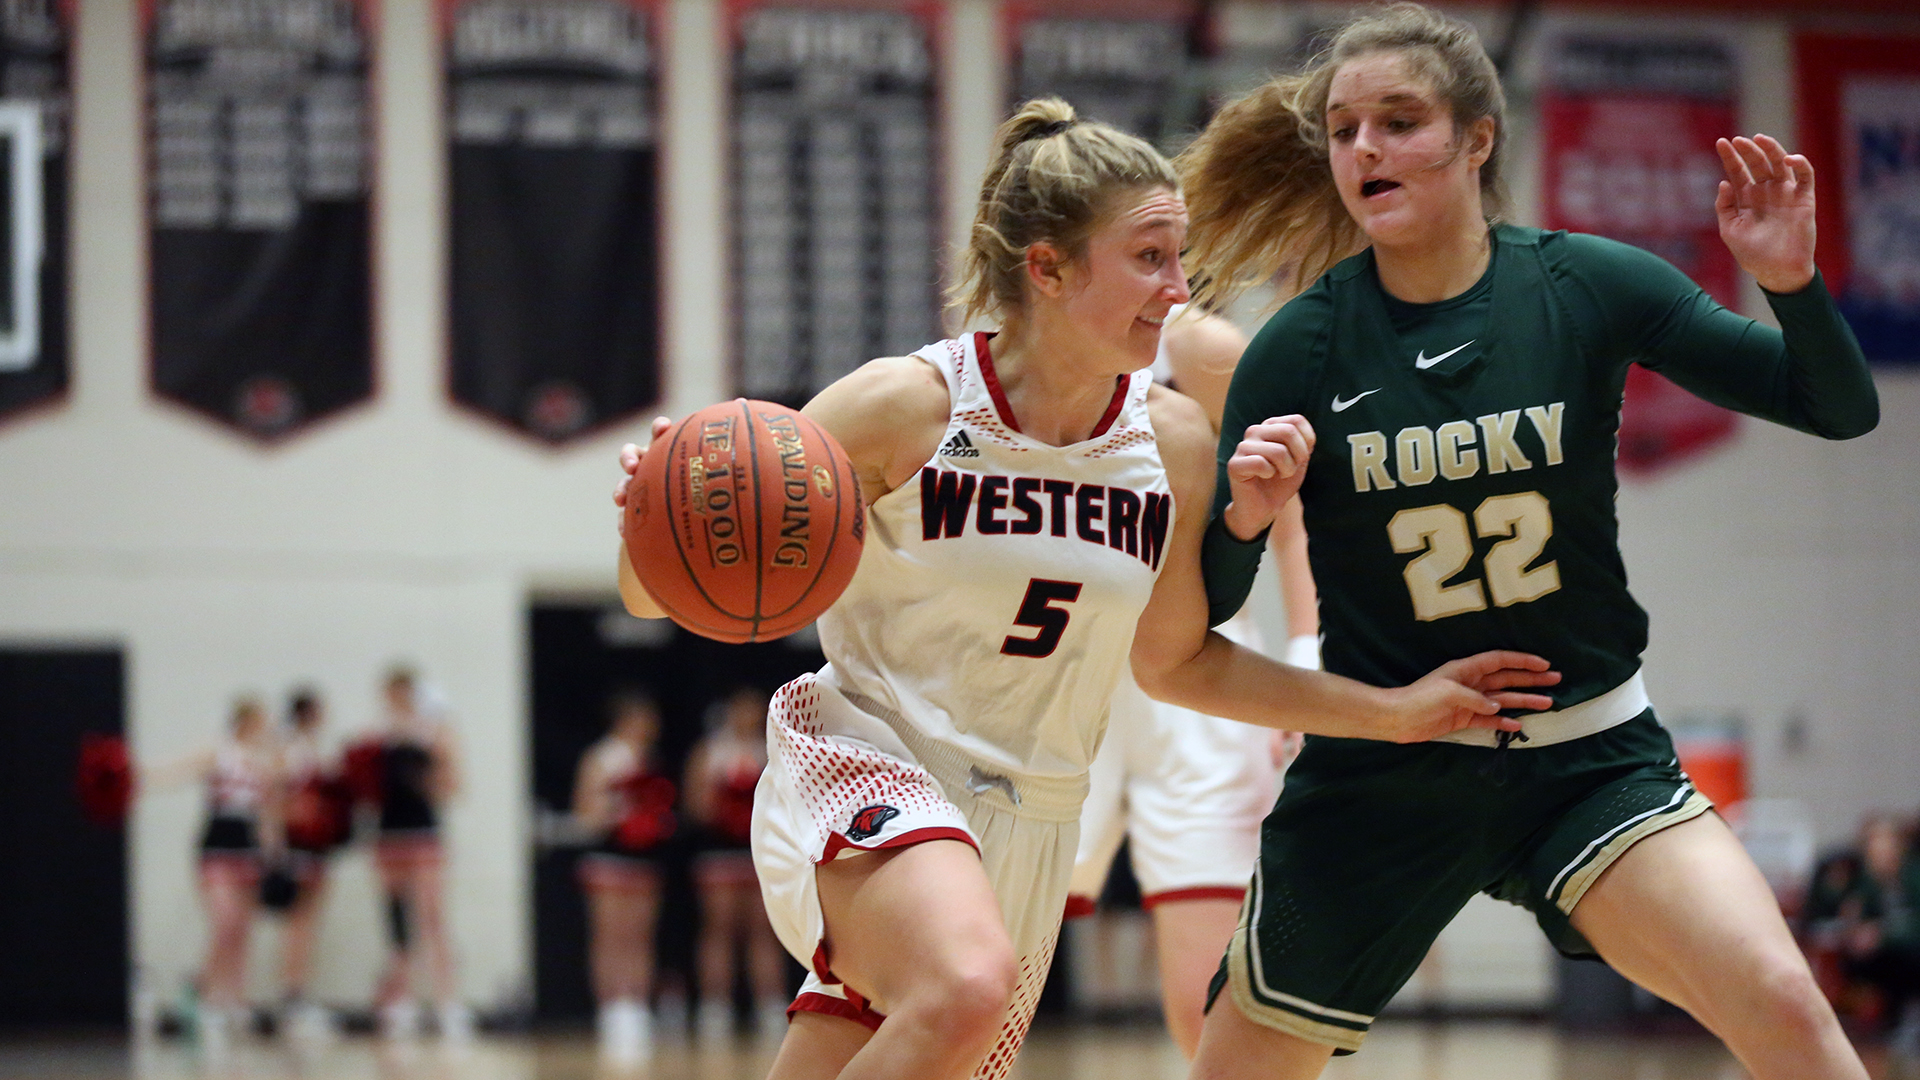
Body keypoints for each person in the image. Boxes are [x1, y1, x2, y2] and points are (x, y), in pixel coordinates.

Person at [615, 96, 1555, 1080]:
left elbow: (1181, 665)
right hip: (870, 761)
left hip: (1031, 818)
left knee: (924, 1020)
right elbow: (658, 593)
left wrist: (1391, 713)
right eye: (1150, 258)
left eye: (1180, 258)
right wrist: (653, 519)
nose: (1178, 287)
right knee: (965, 987)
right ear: (1049, 268)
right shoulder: (908, 408)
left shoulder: (1177, 448)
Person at [1173, 5, 1880, 1078]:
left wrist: (1789, 282)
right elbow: (1211, 605)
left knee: (1785, 1002)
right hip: (1383, 774)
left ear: (1478, 138)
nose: (1364, 149)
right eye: (1345, 129)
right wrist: (1242, 518)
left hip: (1586, 761)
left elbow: (1835, 408)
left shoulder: (1587, 286)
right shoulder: (1297, 347)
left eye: (1398, 121)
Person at [1063, 305, 1314, 1057]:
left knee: (1203, 994)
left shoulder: (1199, 348)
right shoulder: (1001, 358)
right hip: (1061, 674)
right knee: (990, 963)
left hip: (1196, 680)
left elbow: (1298, 513)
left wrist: (1307, 657)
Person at [140, 695, 283, 1046]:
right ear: (246, 719)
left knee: (243, 930)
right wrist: (138, 775)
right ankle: (205, 994)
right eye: (262, 719)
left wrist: (274, 852)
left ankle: (234, 999)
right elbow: (175, 771)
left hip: (248, 849)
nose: (267, 727)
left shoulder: (267, 761)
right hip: (217, 845)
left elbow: (270, 812)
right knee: (225, 922)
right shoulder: (217, 751)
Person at [573, 688, 677, 1061]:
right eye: (645, 718)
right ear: (626, 720)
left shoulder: (649, 759)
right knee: (610, 934)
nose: (652, 725)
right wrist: (619, 808)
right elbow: (584, 812)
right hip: (608, 857)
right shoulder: (601, 757)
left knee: (640, 934)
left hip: (644, 856)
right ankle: (611, 1006)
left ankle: (637, 1004)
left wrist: (651, 816)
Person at [367, 666, 468, 1040]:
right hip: (389, 833)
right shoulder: (379, 735)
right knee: (396, 918)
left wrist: (427, 771)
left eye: (404, 692)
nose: (397, 700)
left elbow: (453, 784)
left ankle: (447, 1001)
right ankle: (401, 999)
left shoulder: (435, 730)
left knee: (432, 915)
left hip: (424, 832)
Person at [684, 686, 788, 1042]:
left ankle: (771, 1005)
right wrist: (727, 808)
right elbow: (695, 805)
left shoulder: (772, 749)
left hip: (761, 851)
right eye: (742, 708)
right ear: (729, 711)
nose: (749, 715)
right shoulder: (710, 751)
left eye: (754, 709)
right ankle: (716, 1008)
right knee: (719, 929)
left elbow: (788, 802)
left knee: (766, 930)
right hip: (719, 852)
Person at [277, 686, 345, 1040]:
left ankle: (299, 995)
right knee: (299, 923)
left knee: (309, 922)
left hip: (318, 847)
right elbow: (276, 798)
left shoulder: (313, 750)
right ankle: (292, 999)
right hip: (298, 847)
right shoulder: (289, 750)